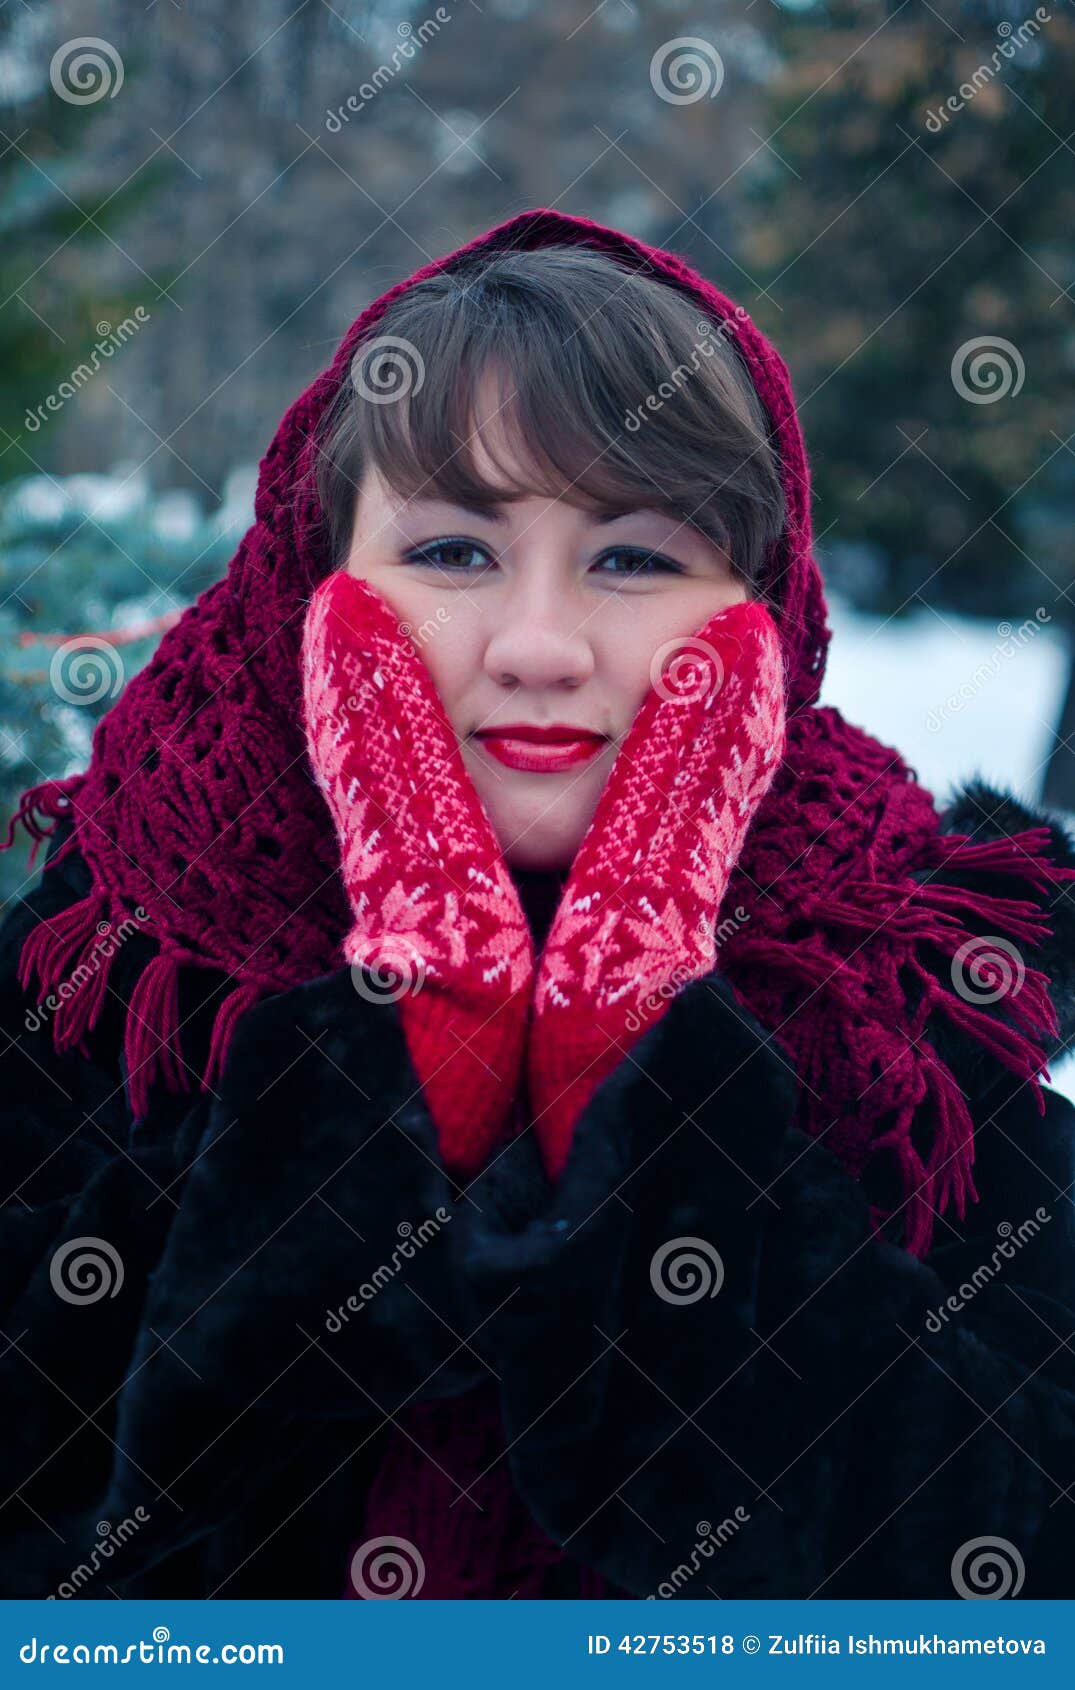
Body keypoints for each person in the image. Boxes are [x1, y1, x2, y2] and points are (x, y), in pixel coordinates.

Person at [2, 207, 1074, 1603]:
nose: (540, 647)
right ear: (318, 584)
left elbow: (1015, 1571)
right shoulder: (121, 949)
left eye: (635, 558)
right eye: (454, 552)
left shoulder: (904, 987)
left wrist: (655, 1090)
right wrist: (377, 1078)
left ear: (762, 611)